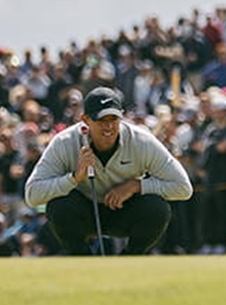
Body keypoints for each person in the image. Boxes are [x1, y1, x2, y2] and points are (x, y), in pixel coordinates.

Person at [24, 87, 192, 255]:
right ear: (85, 120)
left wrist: (136, 186)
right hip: (84, 214)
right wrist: (74, 178)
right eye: (101, 120)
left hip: (124, 211)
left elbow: (184, 188)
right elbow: (32, 195)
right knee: (58, 206)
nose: (109, 126)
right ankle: (82, 259)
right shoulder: (64, 142)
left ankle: (130, 258)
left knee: (157, 208)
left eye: (114, 118)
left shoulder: (141, 140)